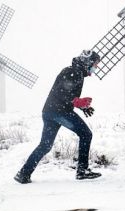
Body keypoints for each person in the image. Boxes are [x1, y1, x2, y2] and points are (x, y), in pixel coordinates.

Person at [14, 50, 102, 184]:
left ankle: (24, 174)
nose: (96, 67)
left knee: (45, 145)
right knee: (86, 134)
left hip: (49, 112)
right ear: (88, 62)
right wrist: (77, 101)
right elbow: (62, 93)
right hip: (60, 112)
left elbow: (64, 95)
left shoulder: (73, 71)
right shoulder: (74, 72)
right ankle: (82, 171)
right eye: (95, 64)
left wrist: (82, 106)